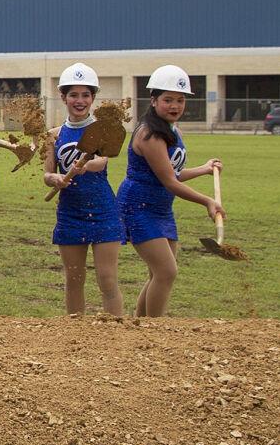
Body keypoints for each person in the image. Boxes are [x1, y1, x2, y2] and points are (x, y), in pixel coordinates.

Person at [118, 66, 224, 319]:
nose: (175, 105)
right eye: (168, 100)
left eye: (180, 99)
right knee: (166, 272)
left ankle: (141, 325)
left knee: (159, 273)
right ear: (153, 101)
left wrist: (204, 169)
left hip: (161, 208)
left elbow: (173, 171)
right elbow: (170, 181)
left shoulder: (172, 130)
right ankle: (155, 328)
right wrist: (207, 201)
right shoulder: (150, 134)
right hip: (138, 207)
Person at [42, 62, 124, 316]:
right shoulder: (53, 135)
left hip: (104, 211)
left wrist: (84, 166)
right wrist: (55, 178)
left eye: (86, 95)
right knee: (74, 280)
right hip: (70, 213)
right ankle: (75, 335)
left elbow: (102, 162)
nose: (80, 101)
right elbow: (47, 173)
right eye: (74, 95)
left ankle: (116, 334)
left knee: (107, 279)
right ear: (63, 97)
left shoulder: (102, 131)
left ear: (93, 98)